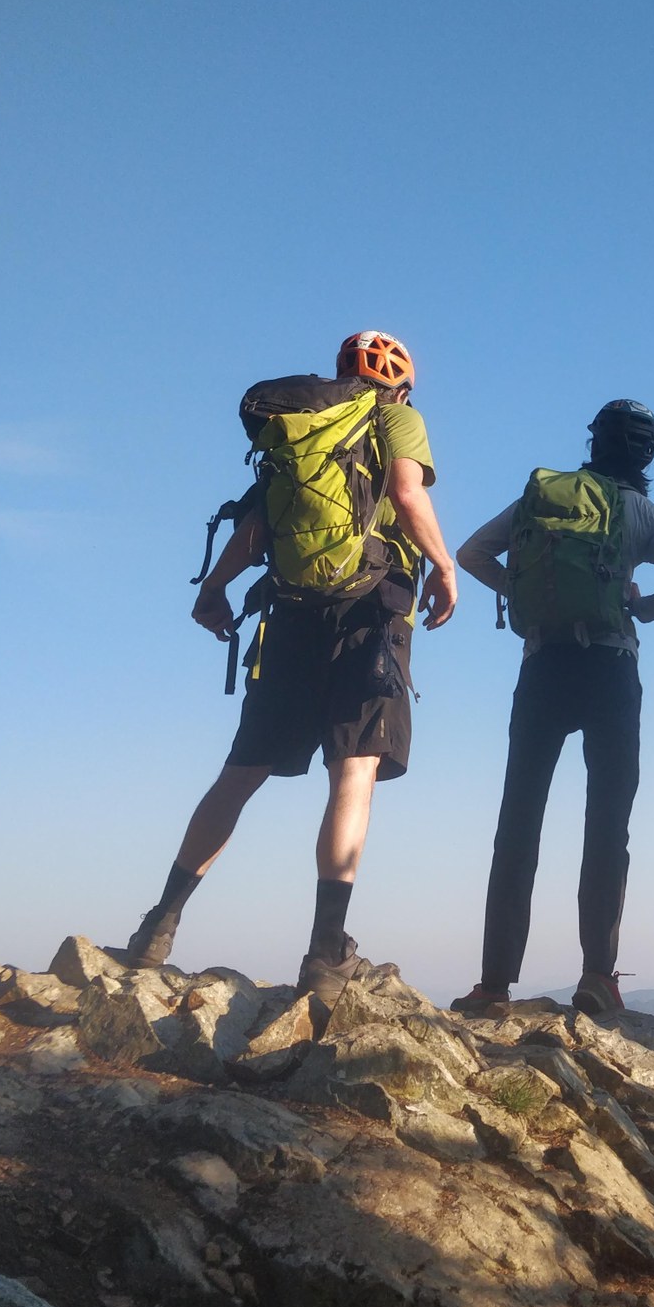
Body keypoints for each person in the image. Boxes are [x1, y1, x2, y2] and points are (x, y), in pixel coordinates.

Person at [118, 331, 459, 1005]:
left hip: (292, 615)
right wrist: (444, 568)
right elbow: (406, 492)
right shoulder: (394, 417)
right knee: (353, 776)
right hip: (372, 611)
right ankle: (326, 954)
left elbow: (260, 525)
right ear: (401, 386)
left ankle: (157, 927)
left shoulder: (295, 432)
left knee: (239, 775)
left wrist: (212, 588)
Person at [450, 401, 654, 1019]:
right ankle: (596, 976)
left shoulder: (541, 500)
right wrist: (637, 607)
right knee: (607, 822)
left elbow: (472, 553)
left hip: (543, 666)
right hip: (612, 667)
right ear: (647, 456)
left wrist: (522, 594)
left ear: (593, 443)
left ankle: (493, 984)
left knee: (519, 820)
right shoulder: (644, 512)